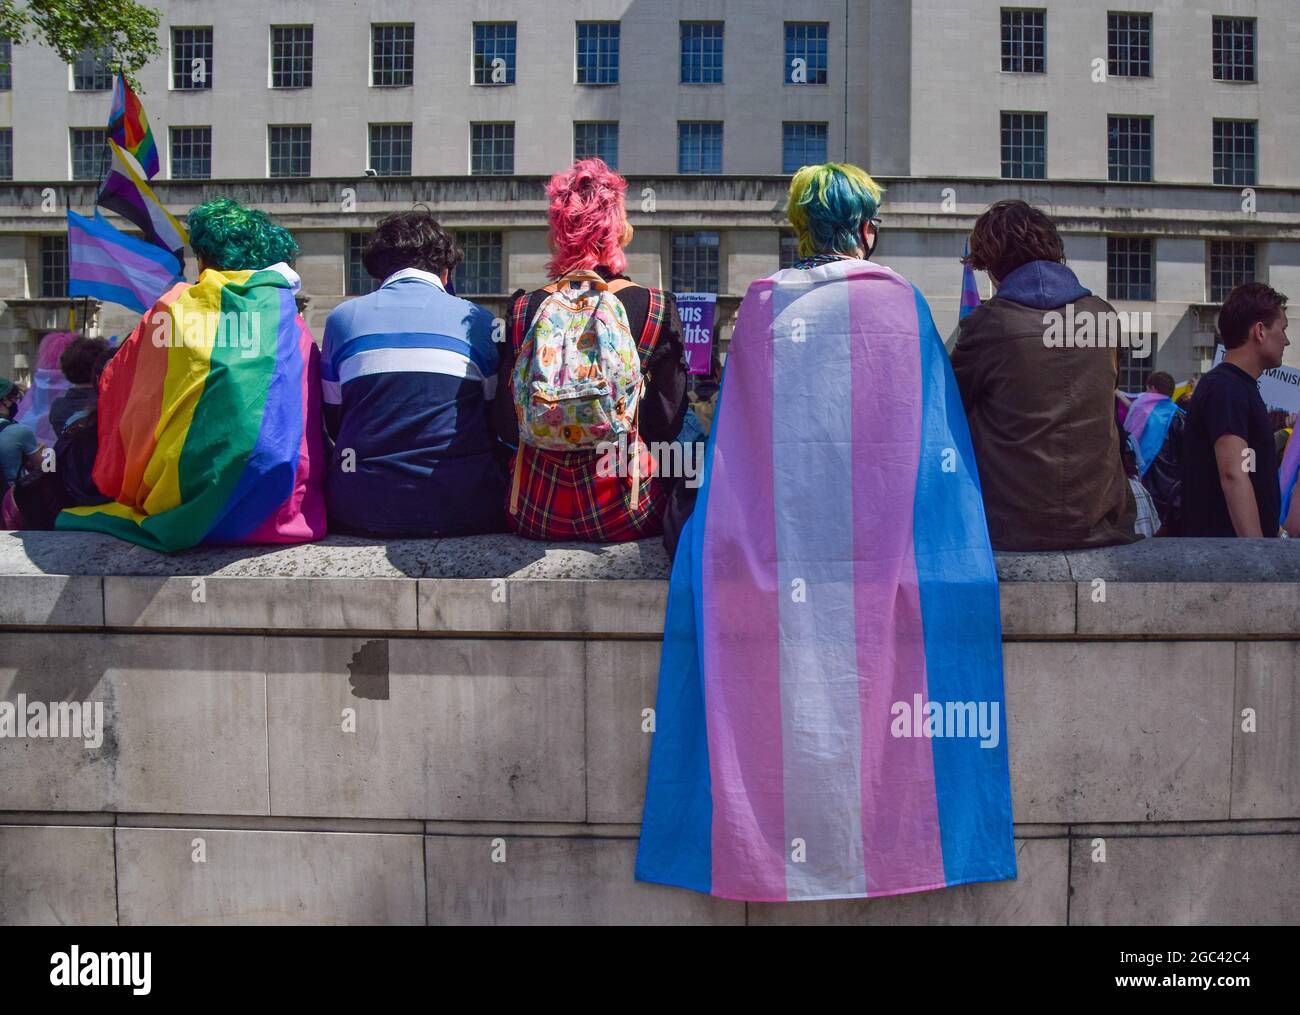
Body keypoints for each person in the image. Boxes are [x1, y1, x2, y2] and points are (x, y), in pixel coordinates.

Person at [637, 163, 1015, 902]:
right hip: (885, 558)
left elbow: (741, 443)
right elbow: (933, 443)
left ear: (800, 231)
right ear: (866, 230)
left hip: (779, 555)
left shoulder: (764, 301)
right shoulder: (904, 301)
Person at [57, 198, 326, 551]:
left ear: (202, 257)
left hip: (182, 503)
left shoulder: (173, 307)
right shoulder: (287, 315)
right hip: (284, 511)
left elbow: (126, 395)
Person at [490, 158, 686, 541]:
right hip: (622, 508)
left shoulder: (523, 310)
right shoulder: (655, 307)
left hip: (535, 509)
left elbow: (504, 422)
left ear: (557, 232)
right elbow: (667, 424)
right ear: (620, 231)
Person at [952, 199, 1138, 550]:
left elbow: (950, 406)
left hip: (1009, 526)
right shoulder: (1103, 315)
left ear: (991, 265)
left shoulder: (988, 324)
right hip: (1102, 522)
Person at [321, 209, 506, 537]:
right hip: (467, 507)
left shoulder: (342, 319)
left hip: (360, 508)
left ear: (379, 272)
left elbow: (335, 419)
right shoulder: (481, 320)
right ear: (445, 273)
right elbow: (493, 419)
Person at [1182, 283, 1290, 538]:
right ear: (1260, 331)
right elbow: (1233, 474)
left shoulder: (1236, 386)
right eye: (1283, 329)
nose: (1287, 340)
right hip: (1226, 560)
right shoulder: (1227, 388)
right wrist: (1256, 555)